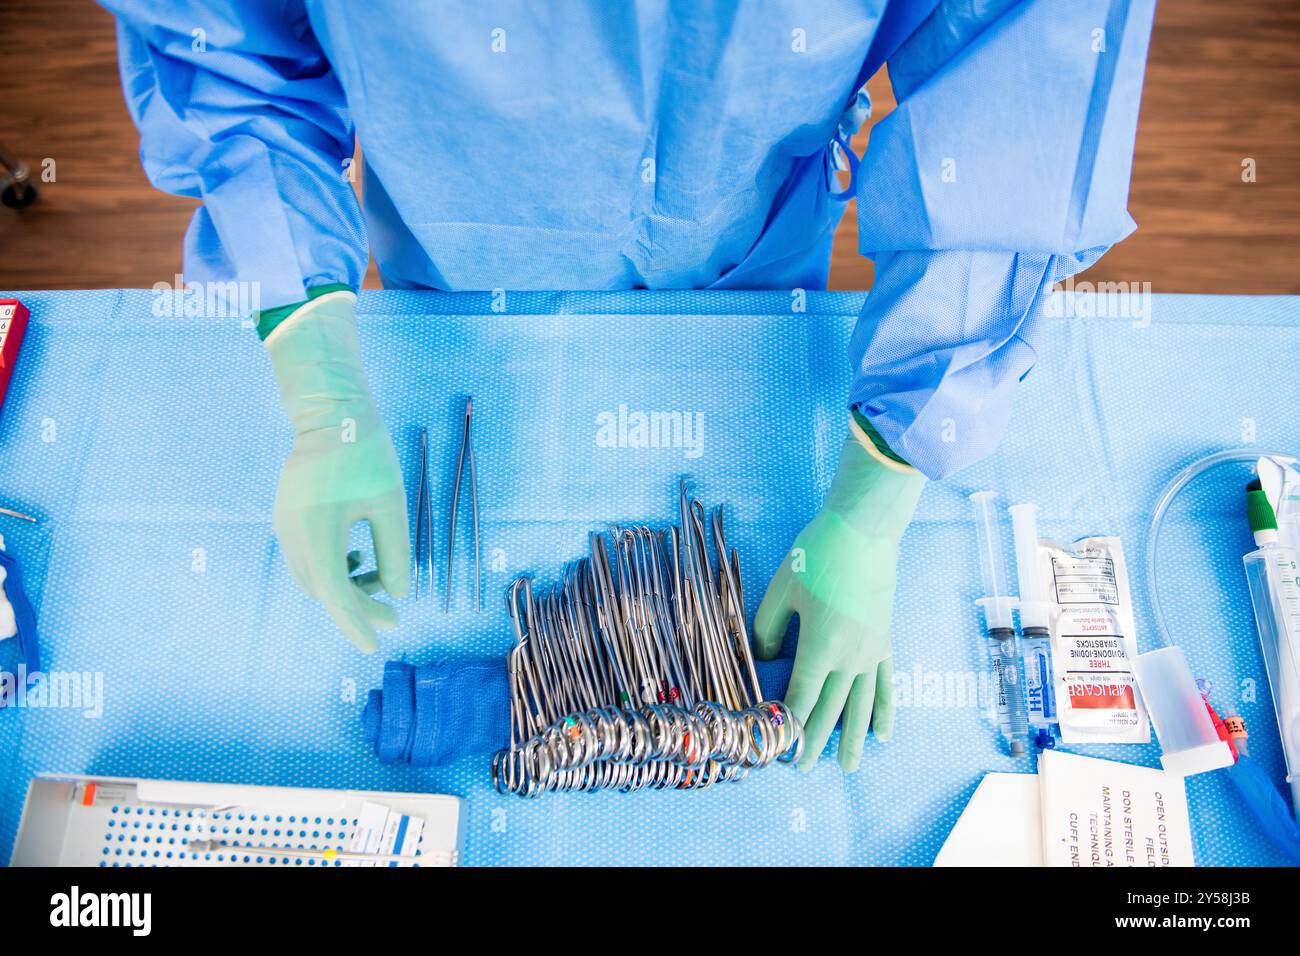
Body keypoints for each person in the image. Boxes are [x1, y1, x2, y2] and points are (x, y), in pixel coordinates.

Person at [102, 0, 1156, 771]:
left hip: (743, 242)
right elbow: (227, 56)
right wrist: (321, 381)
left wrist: (878, 499)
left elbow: (1017, 91)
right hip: (456, 244)